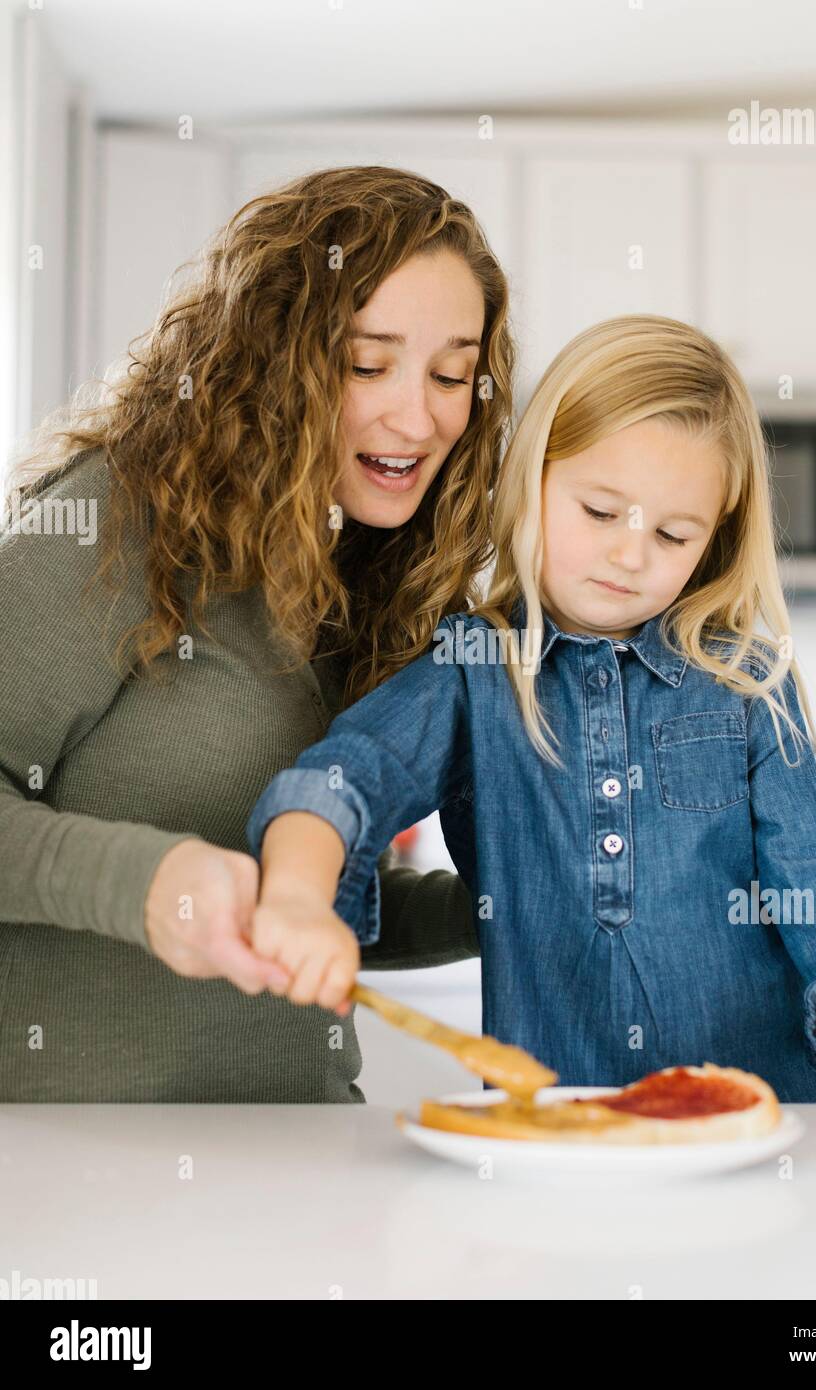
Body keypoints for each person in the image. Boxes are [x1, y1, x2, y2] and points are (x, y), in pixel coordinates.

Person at [245, 314, 816, 1109]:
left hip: (760, 1128)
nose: (630, 555)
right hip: (557, 1136)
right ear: (530, 480)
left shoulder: (745, 682)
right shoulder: (476, 671)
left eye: (673, 535)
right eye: (600, 512)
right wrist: (294, 894)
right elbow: (347, 775)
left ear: (715, 542)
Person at [0, 166, 514, 1101]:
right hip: (74, 1177)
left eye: (452, 374)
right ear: (275, 359)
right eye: (368, 364)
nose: (421, 413)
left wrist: (490, 912)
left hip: (303, 1160)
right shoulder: (112, 524)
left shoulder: (370, 573)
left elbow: (296, 910)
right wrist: (145, 883)